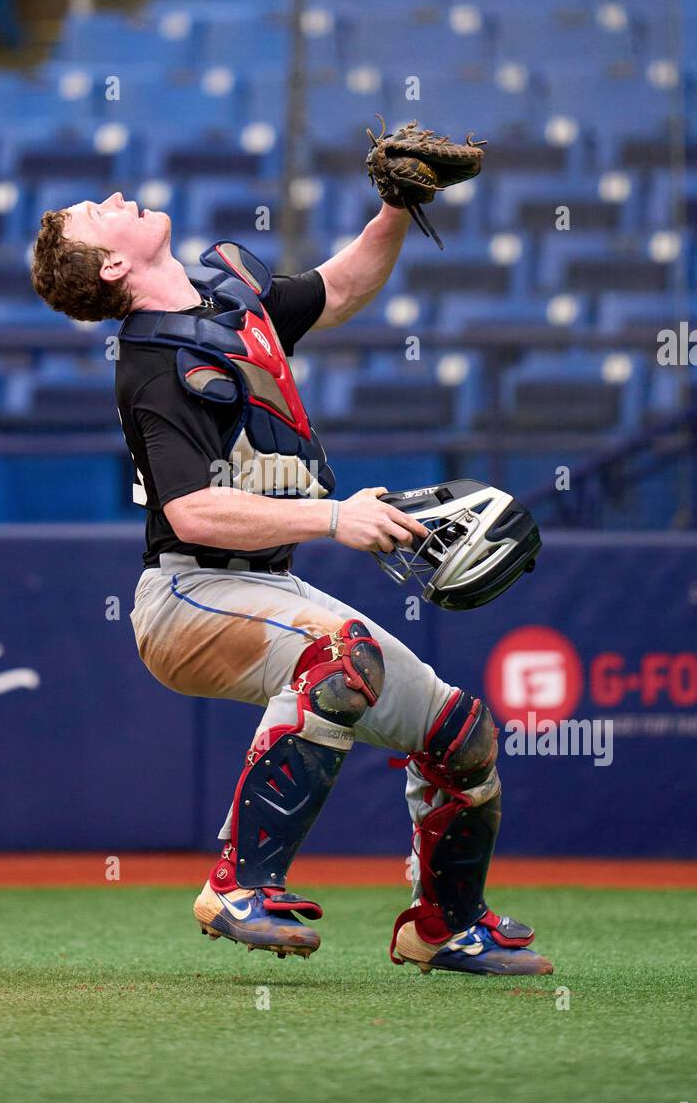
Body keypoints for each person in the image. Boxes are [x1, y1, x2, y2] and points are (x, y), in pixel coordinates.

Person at [31, 191, 552, 975]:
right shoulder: (153, 364)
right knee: (342, 659)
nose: (115, 198)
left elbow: (341, 287)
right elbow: (194, 511)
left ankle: (446, 926)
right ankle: (238, 886)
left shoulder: (230, 294)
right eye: (96, 211)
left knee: (462, 734)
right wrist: (335, 518)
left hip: (266, 589)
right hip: (186, 595)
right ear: (112, 264)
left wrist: (395, 209)